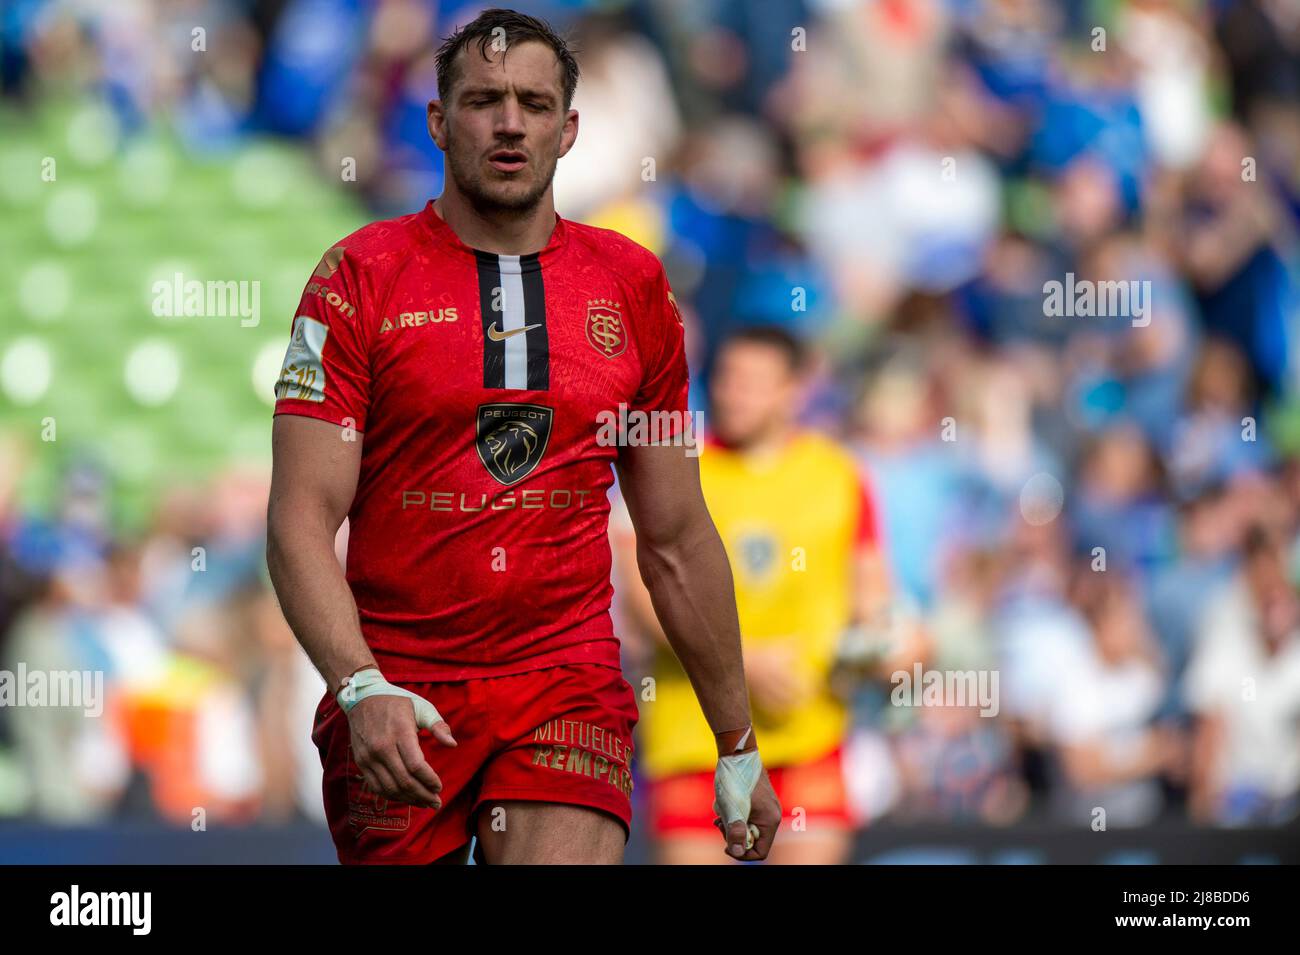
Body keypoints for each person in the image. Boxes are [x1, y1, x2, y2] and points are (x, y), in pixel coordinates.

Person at [265, 8, 779, 865]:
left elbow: (676, 536)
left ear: (569, 129)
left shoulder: (635, 287)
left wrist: (737, 740)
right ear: (436, 120)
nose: (510, 123)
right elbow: (298, 520)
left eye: (535, 105)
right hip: (395, 685)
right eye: (483, 100)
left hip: (563, 680)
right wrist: (358, 684)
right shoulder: (357, 277)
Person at [617, 326, 890, 864]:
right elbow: (643, 596)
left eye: (753, 382)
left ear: (793, 390)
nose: (733, 393)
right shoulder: (675, 468)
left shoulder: (837, 474)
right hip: (696, 738)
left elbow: (874, 596)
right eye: (726, 378)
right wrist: (742, 663)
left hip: (808, 733)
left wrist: (894, 642)